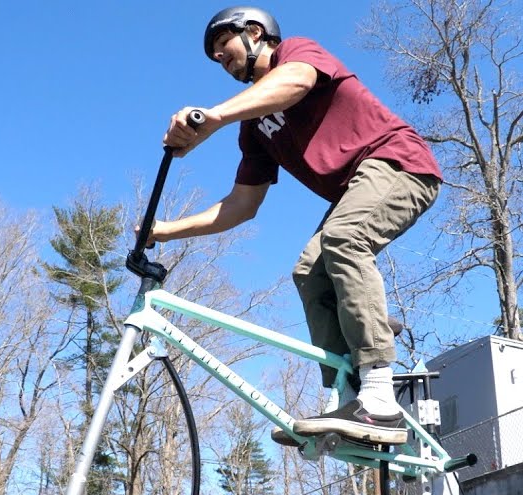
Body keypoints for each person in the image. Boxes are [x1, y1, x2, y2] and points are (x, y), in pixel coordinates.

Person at [148, 6, 441, 447]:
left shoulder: (296, 53)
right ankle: (350, 395)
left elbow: (298, 82)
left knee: (345, 238)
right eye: (213, 56)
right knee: (309, 271)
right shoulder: (254, 129)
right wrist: (163, 230)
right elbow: (241, 206)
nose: (219, 59)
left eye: (222, 46)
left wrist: (210, 118)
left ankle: (381, 400)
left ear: (253, 33)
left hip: (398, 163)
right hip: (353, 192)